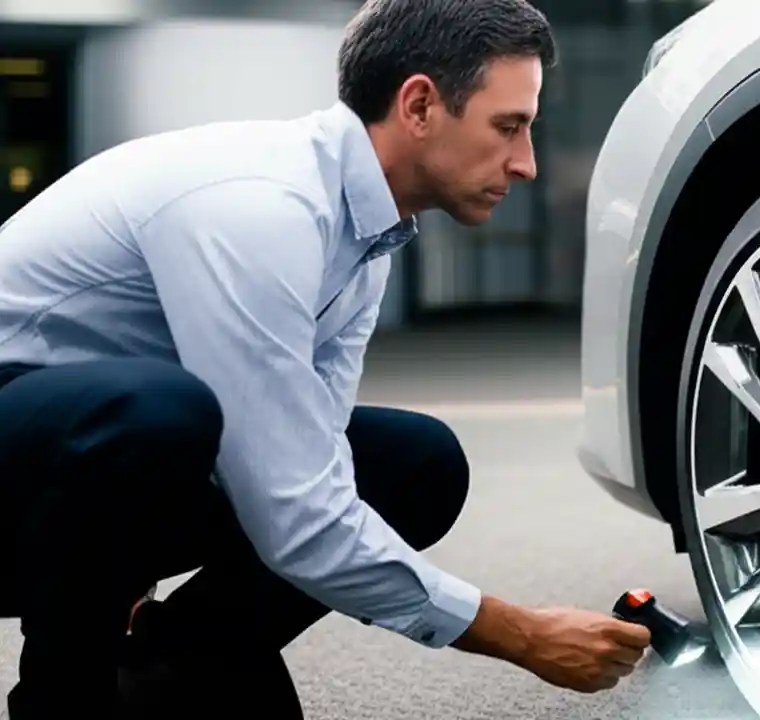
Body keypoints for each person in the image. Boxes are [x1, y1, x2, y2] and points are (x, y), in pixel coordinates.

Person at [0, 0, 652, 717]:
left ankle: (174, 665)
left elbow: (314, 463)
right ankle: (65, 697)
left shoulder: (367, 232)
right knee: (159, 413)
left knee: (415, 464)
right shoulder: (263, 208)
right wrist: (518, 633)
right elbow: (294, 512)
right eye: (509, 127)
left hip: (87, 462)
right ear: (420, 105)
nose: (526, 164)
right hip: (27, 462)